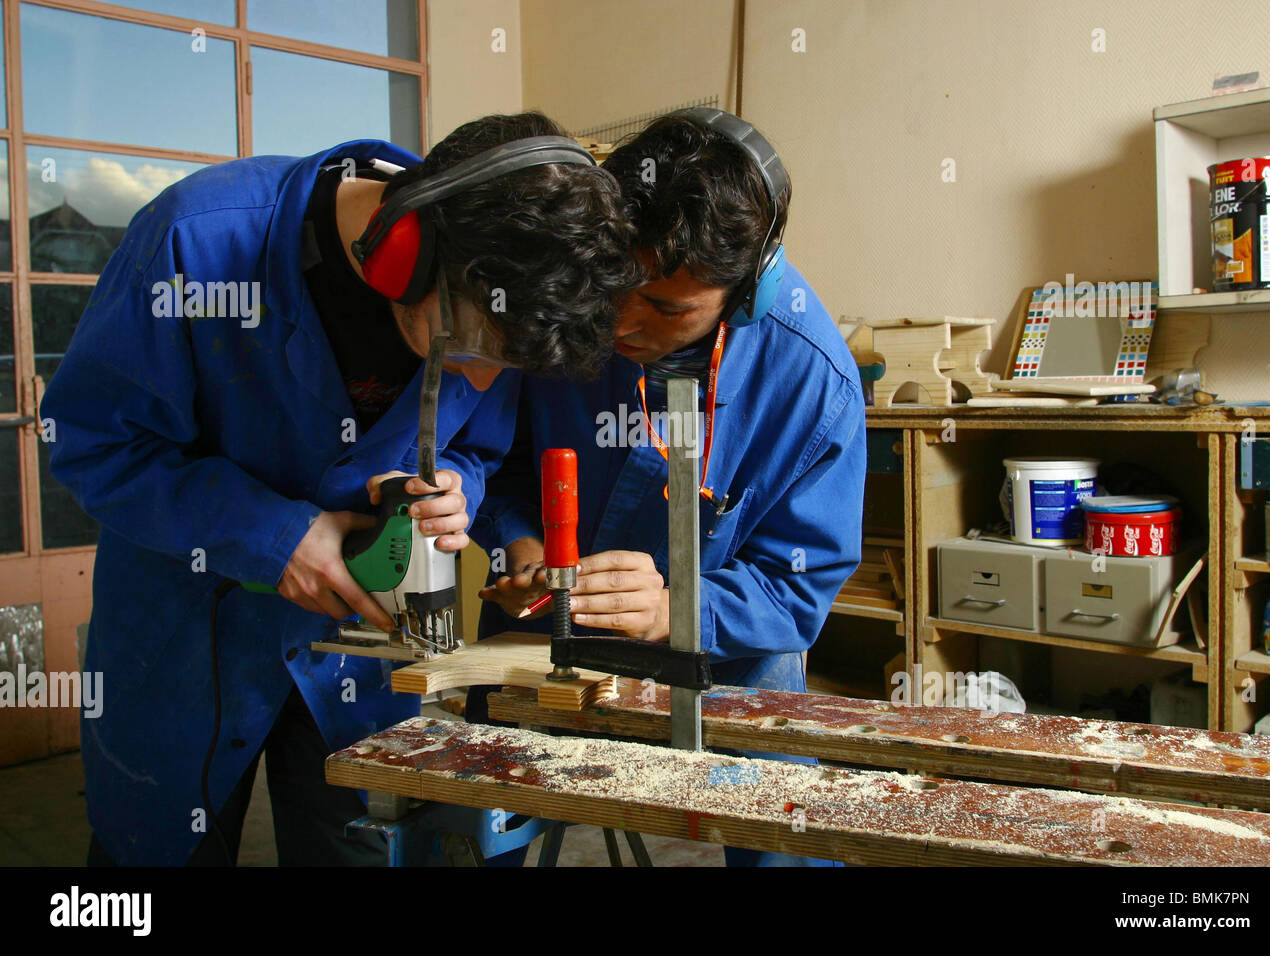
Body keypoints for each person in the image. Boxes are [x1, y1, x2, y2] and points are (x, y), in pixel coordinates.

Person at [40, 111, 639, 866]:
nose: (483, 381)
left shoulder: (504, 294)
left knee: (349, 849)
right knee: (156, 857)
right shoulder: (197, 240)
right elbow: (94, 443)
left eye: (507, 370)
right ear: (406, 251)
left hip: (353, 660)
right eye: (477, 353)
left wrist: (461, 486)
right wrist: (271, 535)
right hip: (185, 637)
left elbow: (479, 447)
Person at [473, 109, 867, 866]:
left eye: (664, 308)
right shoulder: (566, 301)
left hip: (733, 648)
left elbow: (799, 586)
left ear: (742, 294)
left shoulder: (812, 381)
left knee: (781, 826)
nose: (621, 320)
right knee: (468, 796)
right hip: (552, 615)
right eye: (617, 283)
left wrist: (679, 607)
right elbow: (497, 458)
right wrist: (521, 542)